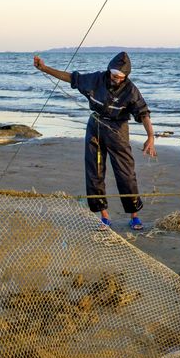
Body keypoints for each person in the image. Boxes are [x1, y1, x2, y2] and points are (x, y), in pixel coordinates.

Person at [33, 51, 156, 230]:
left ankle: (134, 216)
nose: (117, 79)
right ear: (109, 71)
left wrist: (150, 136)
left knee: (126, 173)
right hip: (95, 126)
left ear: (126, 76)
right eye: (114, 75)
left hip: (117, 130)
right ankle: (104, 216)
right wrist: (44, 68)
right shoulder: (96, 79)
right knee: (94, 171)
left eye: (121, 77)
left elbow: (143, 113)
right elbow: (71, 78)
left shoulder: (130, 90)